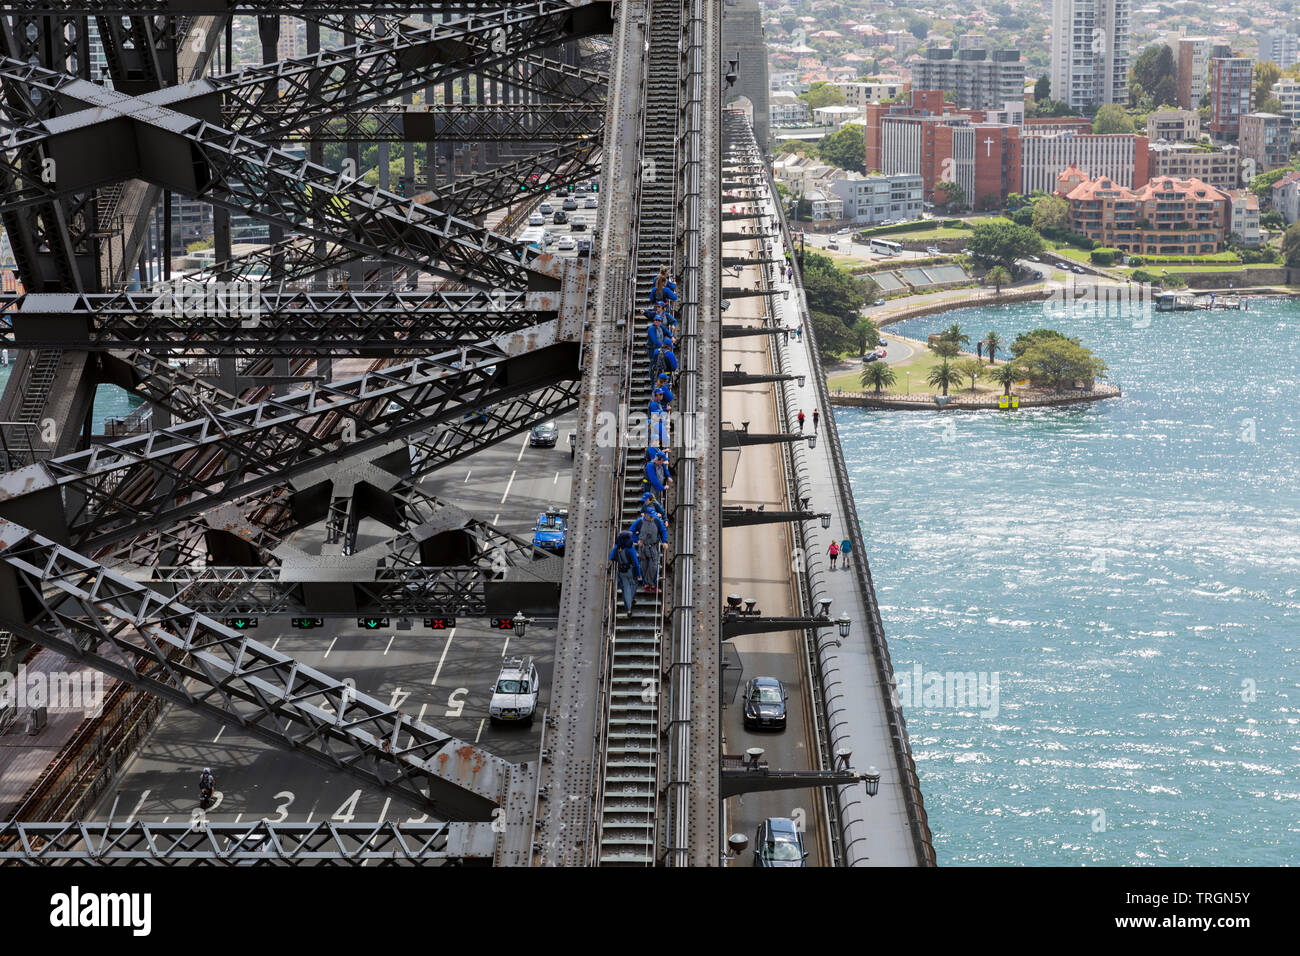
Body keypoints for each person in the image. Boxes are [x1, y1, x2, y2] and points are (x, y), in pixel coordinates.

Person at [631, 506, 669, 592]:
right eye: (650, 516)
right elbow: (631, 531)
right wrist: (637, 540)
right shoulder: (639, 522)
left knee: (654, 566)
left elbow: (663, 531)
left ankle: (653, 584)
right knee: (643, 566)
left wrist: (665, 541)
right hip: (643, 548)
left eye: (653, 516)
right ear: (645, 515)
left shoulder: (657, 521)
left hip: (653, 547)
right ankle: (646, 584)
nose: (652, 518)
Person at [609, 530, 644, 614]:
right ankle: (631, 599)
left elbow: (611, 557)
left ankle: (628, 609)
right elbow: (635, 562)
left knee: (626, 589)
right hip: (630, 570)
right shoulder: (630, 548)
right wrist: (638, 573)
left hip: (621, 571)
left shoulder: (617, 547)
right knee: (634, 584)